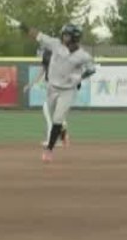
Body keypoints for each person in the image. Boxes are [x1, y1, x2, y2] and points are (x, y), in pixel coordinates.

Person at [23, 22, 95, 163]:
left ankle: (49, 150)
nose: (64, 37)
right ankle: (63, 132)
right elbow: (38, 35)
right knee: (53, 115)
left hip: (67, 91)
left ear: (75, 38)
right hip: (52, 88)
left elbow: (91, 69)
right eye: (64, 34)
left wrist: (80, 77)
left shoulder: (83, 56)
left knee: (57, 119)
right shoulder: (56, 44)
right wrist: (24, 27)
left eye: (67, 35)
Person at [24, 46, 55, 146]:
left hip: (54, 86)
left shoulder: (48, 55)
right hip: (55, 86)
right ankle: (61, 134)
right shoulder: (52, 56)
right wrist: (30, 85)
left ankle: (51, 140)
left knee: (47, 110)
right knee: (53, 112)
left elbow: (43, 71)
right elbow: (42, 72)